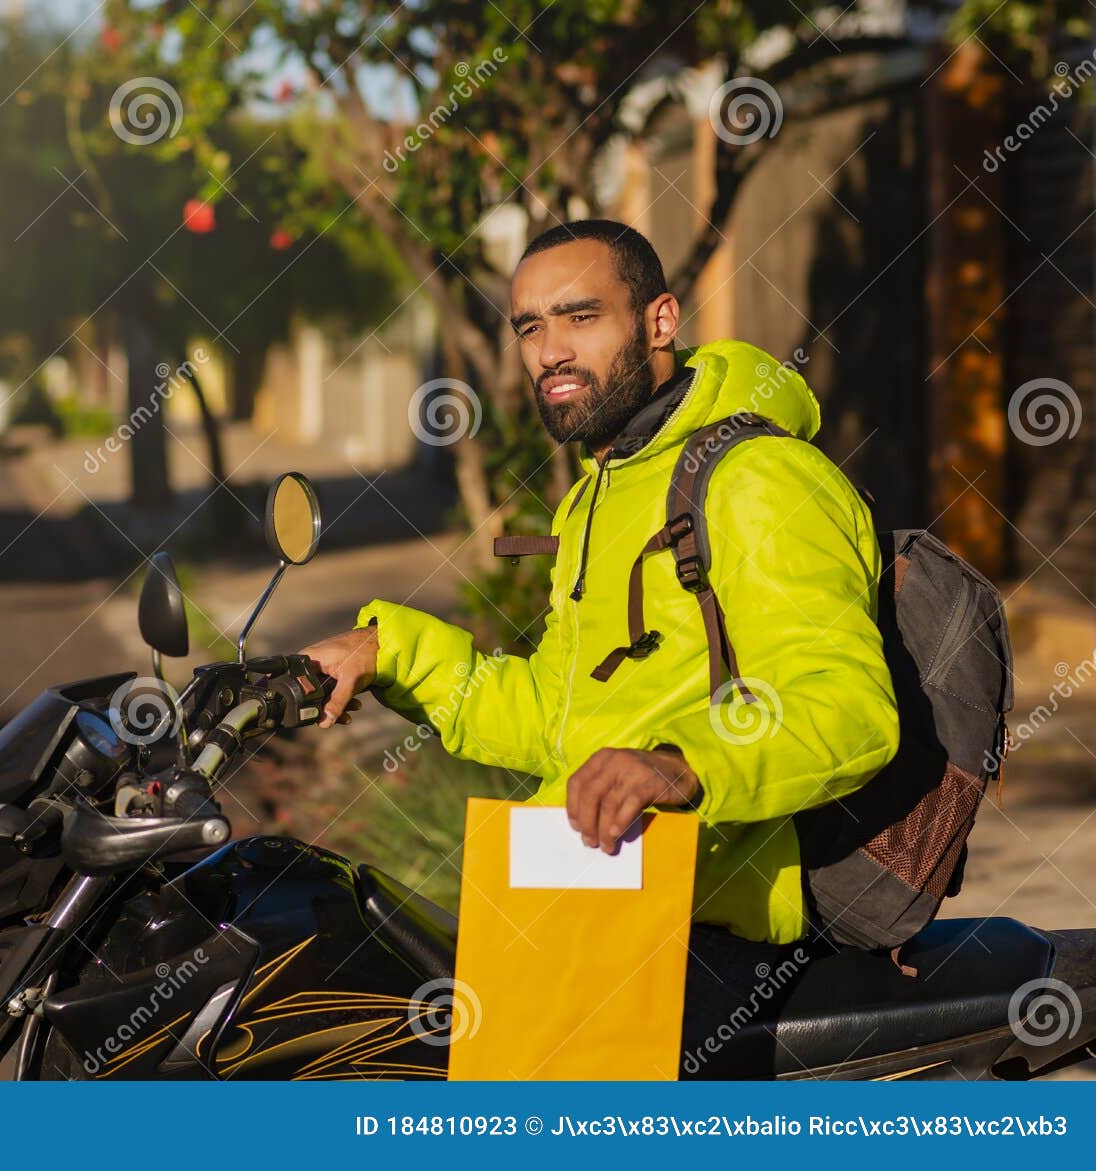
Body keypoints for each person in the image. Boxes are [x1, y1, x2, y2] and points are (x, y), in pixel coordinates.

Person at [300, 219, 899, 945]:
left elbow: (850, 709)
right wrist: (387, 651)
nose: (550, 351)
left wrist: (679, 766)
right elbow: (555, 720)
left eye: (582, 317)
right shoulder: (600, 495)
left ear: (660, 321)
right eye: (530, 327)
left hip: (707, 921)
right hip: (590, 897)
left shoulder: (761, 477)